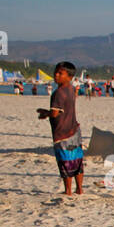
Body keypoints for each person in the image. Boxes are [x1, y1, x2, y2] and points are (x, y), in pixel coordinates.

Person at [37, 61, 84, 197]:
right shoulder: (71, 89)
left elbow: (55, 113)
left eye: (60, 73)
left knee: (65, 162)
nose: (56, 75)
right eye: (56, 72)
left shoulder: (58, 93)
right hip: (74, 129)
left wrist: (45, 113)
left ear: (69, 76)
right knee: (77, 161)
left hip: (63, 133)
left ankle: (68, 190)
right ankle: (79, 188)